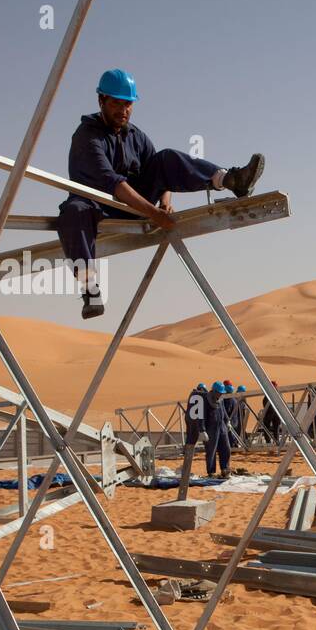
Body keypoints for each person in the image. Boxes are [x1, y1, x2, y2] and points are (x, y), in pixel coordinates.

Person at [58, 69, 265, 320]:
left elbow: (160, 173)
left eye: (128, 104)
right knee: (73, 211)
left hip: (136, 204)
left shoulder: (136, 136)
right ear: (101, 100)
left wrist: (165, 203)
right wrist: (153, 213)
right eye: (116, 103)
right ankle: (90, 289)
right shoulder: (87, 136)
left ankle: (229, 180)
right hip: (100, 208)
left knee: (166, 156)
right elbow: (113, 184)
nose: (123, 110)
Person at [203, 381, 231, 478]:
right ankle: (211, 472)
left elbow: (223, 411)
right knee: (211, 450)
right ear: (214, 391)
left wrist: (227, 421)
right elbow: (202, 416)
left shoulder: (221, 400)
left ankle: (225, 469)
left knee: (226, 448)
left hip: (222, 426)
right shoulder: (206, 400)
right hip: (211, 428)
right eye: (219, 392)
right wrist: (202, 430)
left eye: (222, 393)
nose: (221, 394)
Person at [185, 382, 209, 446]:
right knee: (193, 437)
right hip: (195, 419)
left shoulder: (192, 393)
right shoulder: (203, 394)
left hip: (188, 417)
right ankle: (189, 453)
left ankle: (186, 450)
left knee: (189, 435)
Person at [260, 380, 282, 444]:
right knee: (276, 429)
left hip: (270, 414)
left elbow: (265, 403)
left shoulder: (268, 394)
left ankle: (268, 442)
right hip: (277, 414)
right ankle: (276, 442)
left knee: (266, 427)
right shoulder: (279, 394)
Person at [233, 384, 249, 449]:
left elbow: (245, 406)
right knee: (237, 429)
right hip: (236, 417)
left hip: (242, 416)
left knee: (242, 429)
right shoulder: (235, 398)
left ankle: (243, 441)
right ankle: (236, 442)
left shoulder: (243, 398)